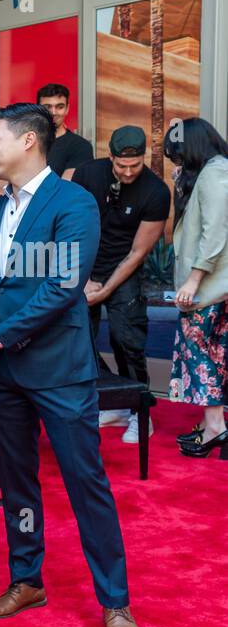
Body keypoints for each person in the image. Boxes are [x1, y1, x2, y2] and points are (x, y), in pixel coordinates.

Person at [0, 102, 139, 627]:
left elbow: (62, 286)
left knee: (86, 484)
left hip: (57, 370)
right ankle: (27, 580)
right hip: (1, 374)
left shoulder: (73, 202)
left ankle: (116, 601)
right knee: (17, 485)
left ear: (29, 141)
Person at [69, 126, 170, 442]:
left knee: (126, 338)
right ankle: (112, 401)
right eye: (121, 165)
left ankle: (140, 413)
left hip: (122, 270)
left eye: (135, 166)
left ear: (144, 159)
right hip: (84, 267)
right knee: (78, 339)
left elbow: (139, 252)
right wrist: (83, 280)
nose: (128, 172)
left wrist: (107, 289)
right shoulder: (87, 174)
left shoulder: (156, 192)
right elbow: (71, 228)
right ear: (109, 156)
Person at [166, 118, 228, 458]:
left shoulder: (215, 173)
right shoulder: (214, 171)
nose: (177, 164)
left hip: (211, 286)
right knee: (213, 354)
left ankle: (216, 427)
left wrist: (194, 278)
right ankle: (213, 424)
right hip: (216, 285)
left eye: (177, 157)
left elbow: (215, 231)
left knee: (201, 352)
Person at [37, 83, 94, 178]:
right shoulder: (25, 140)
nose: (53, 112)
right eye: (47, 107)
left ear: (67, 109)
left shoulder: (80, 146)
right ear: (38, 109)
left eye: (60, 107)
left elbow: (66, 188)